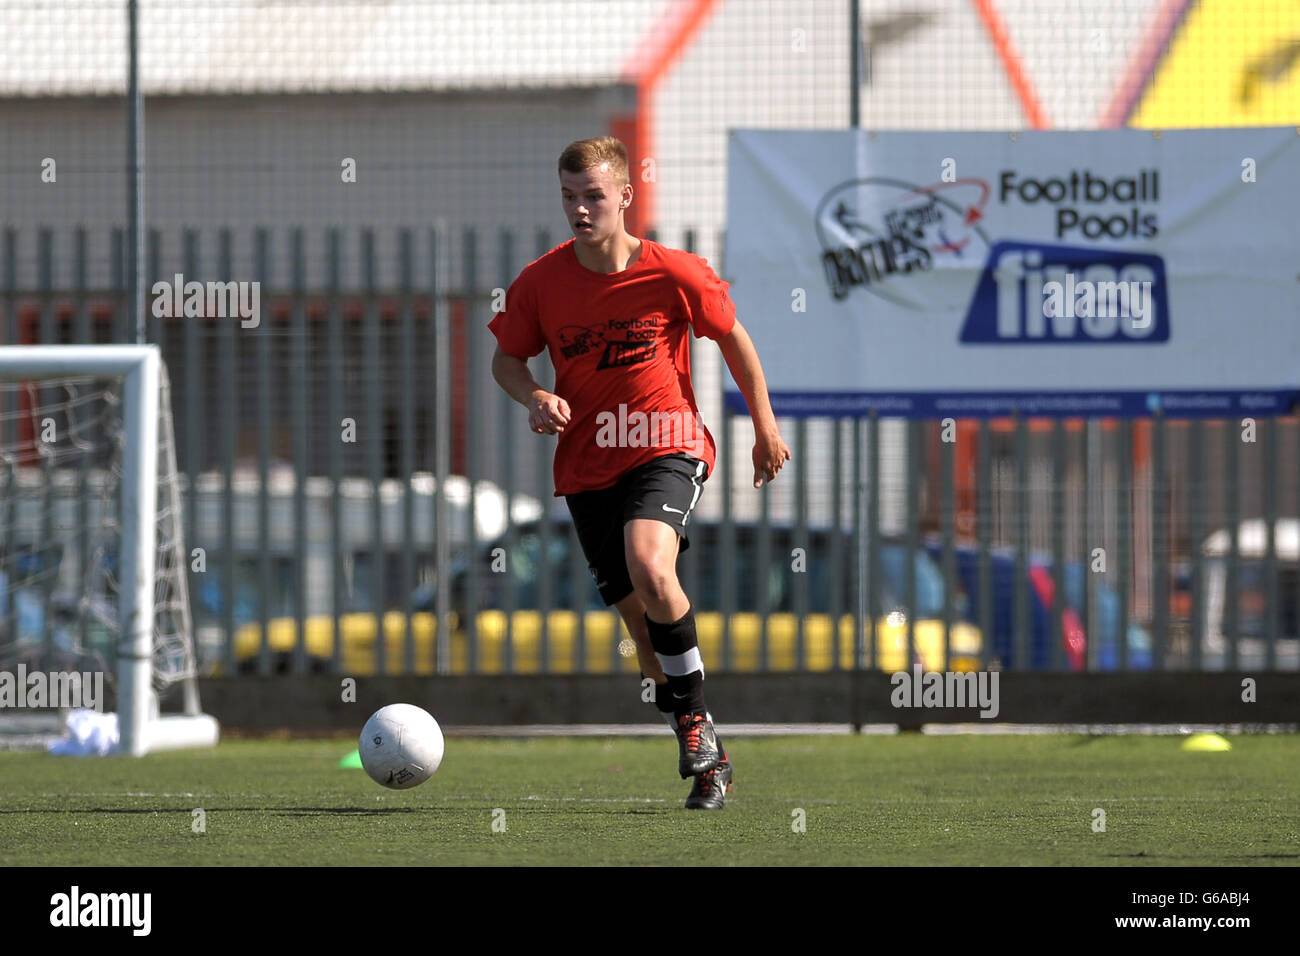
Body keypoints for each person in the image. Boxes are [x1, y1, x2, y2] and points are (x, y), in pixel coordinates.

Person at [489, 136, 790, 809]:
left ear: (626, 195)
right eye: (569, 197)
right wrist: (536, 395)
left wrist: (765, 427)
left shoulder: (676, 273)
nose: (580, 209)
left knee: (652, 565)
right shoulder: (540, 282)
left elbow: (734, 338)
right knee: (646, 647)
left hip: (666, 445)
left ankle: (692, 726)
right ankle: (709, 748)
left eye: (593, 195)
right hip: (589, 464)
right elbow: (506, 360)